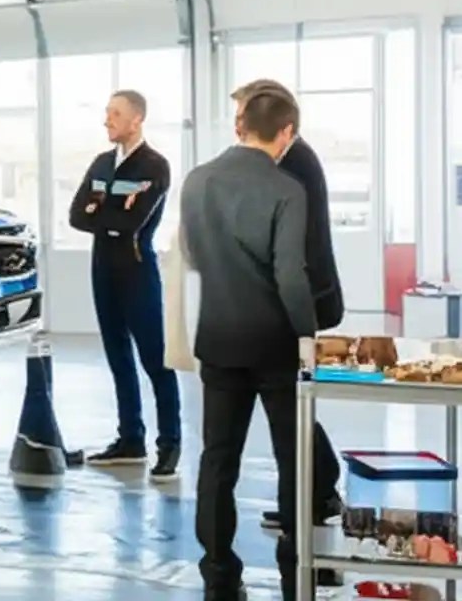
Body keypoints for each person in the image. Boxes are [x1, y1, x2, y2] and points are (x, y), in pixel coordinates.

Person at [180, 83, 316, 601]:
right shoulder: (286, 190)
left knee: (217, 461)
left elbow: (193, 255)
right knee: (291, 461)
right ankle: (292, 573)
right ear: (285, 132)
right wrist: (308, 337)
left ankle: (218, 575)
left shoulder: (197, 181)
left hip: (217, 337)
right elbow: (291, 276)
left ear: (241, 125)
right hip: (275, 345)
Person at [232, 80, 346, 535]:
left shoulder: (292, 162)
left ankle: (315, 493)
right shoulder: (287, 159)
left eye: (244, 115)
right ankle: (315, 491)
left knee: (289, 400)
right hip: (293, 295)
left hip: (302, 297)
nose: (240, 126)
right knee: (289, 399)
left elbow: (285, 239)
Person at [68, 90, 181, 481]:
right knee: (118, 357)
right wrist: (111, 214)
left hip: (137, 271)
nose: (107, 120)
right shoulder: (102, 162)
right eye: (106, 112)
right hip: (102, 270)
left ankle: (169, 445)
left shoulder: (155, 166)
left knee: (155, 361)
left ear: (137, 119)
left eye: (115, 113)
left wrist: (102, 211)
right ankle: (130, 439)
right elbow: (75, 216)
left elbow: (131, 225)